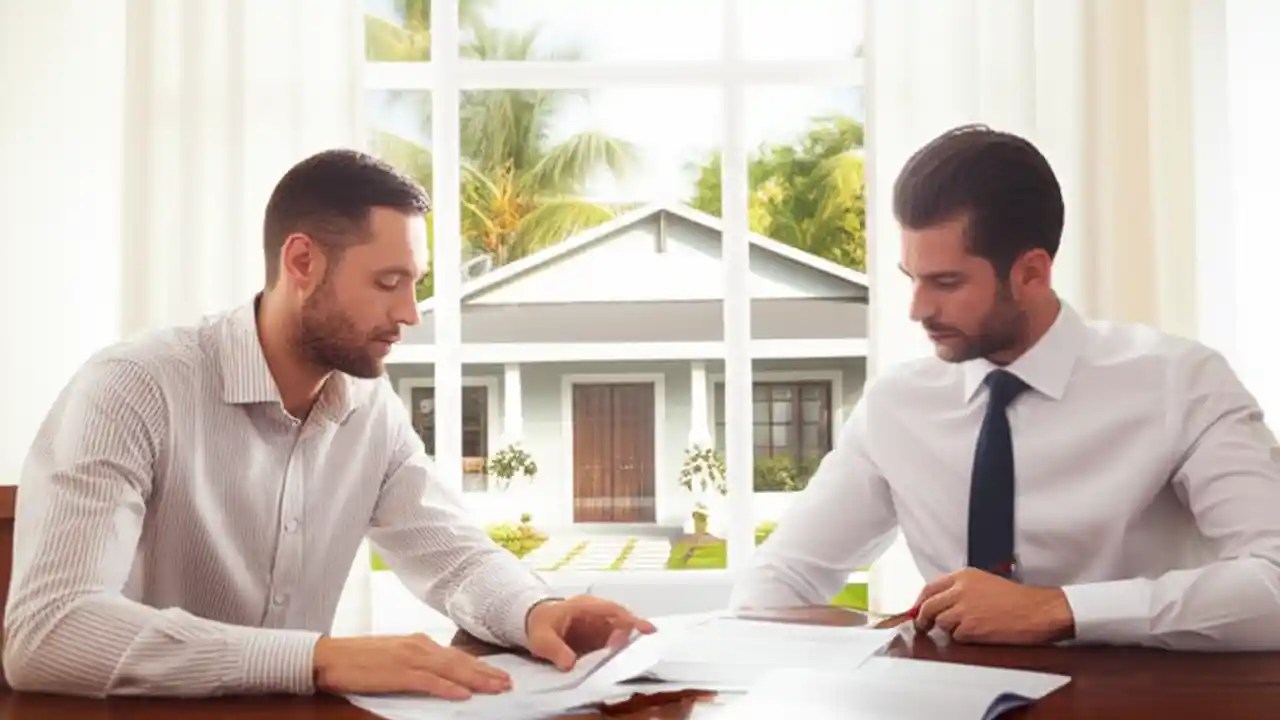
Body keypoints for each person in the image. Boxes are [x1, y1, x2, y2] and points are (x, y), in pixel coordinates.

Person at [3, 149, 654, 698]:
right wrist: (318, 657)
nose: (409, 314)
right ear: (302, 263)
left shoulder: (371, 411)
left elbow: (453, 556)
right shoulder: (132, 388)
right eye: (388, 282)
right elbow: (49, 630)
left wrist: (538, 610)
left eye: (415, 284)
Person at [729, 124, 1280, 651]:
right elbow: (778, 585)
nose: (918, 309)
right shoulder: (897, 406)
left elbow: (1273, 580)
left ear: (1031, 273)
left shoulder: (1181, 383)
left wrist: (1057, 611)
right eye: (911, 278)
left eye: (946, 283)